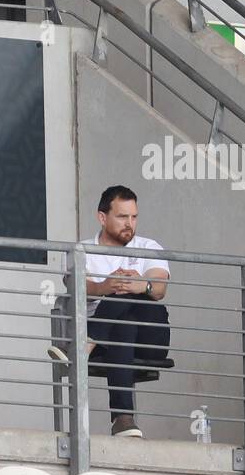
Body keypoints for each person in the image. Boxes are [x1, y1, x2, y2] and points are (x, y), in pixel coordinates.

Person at [49, 185, 171, 438]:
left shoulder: (148, 246)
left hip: (150, 339)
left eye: (134, 217)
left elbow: (159, 289)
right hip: (113, 342)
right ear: (102, 217)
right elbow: (74, 287)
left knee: (130, 292)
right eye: (122, 217)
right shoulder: (80, 250)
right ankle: (123, 420)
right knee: (122, 322)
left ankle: (84, 345)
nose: (130, 224)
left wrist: (141, 285)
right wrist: (104, 287)